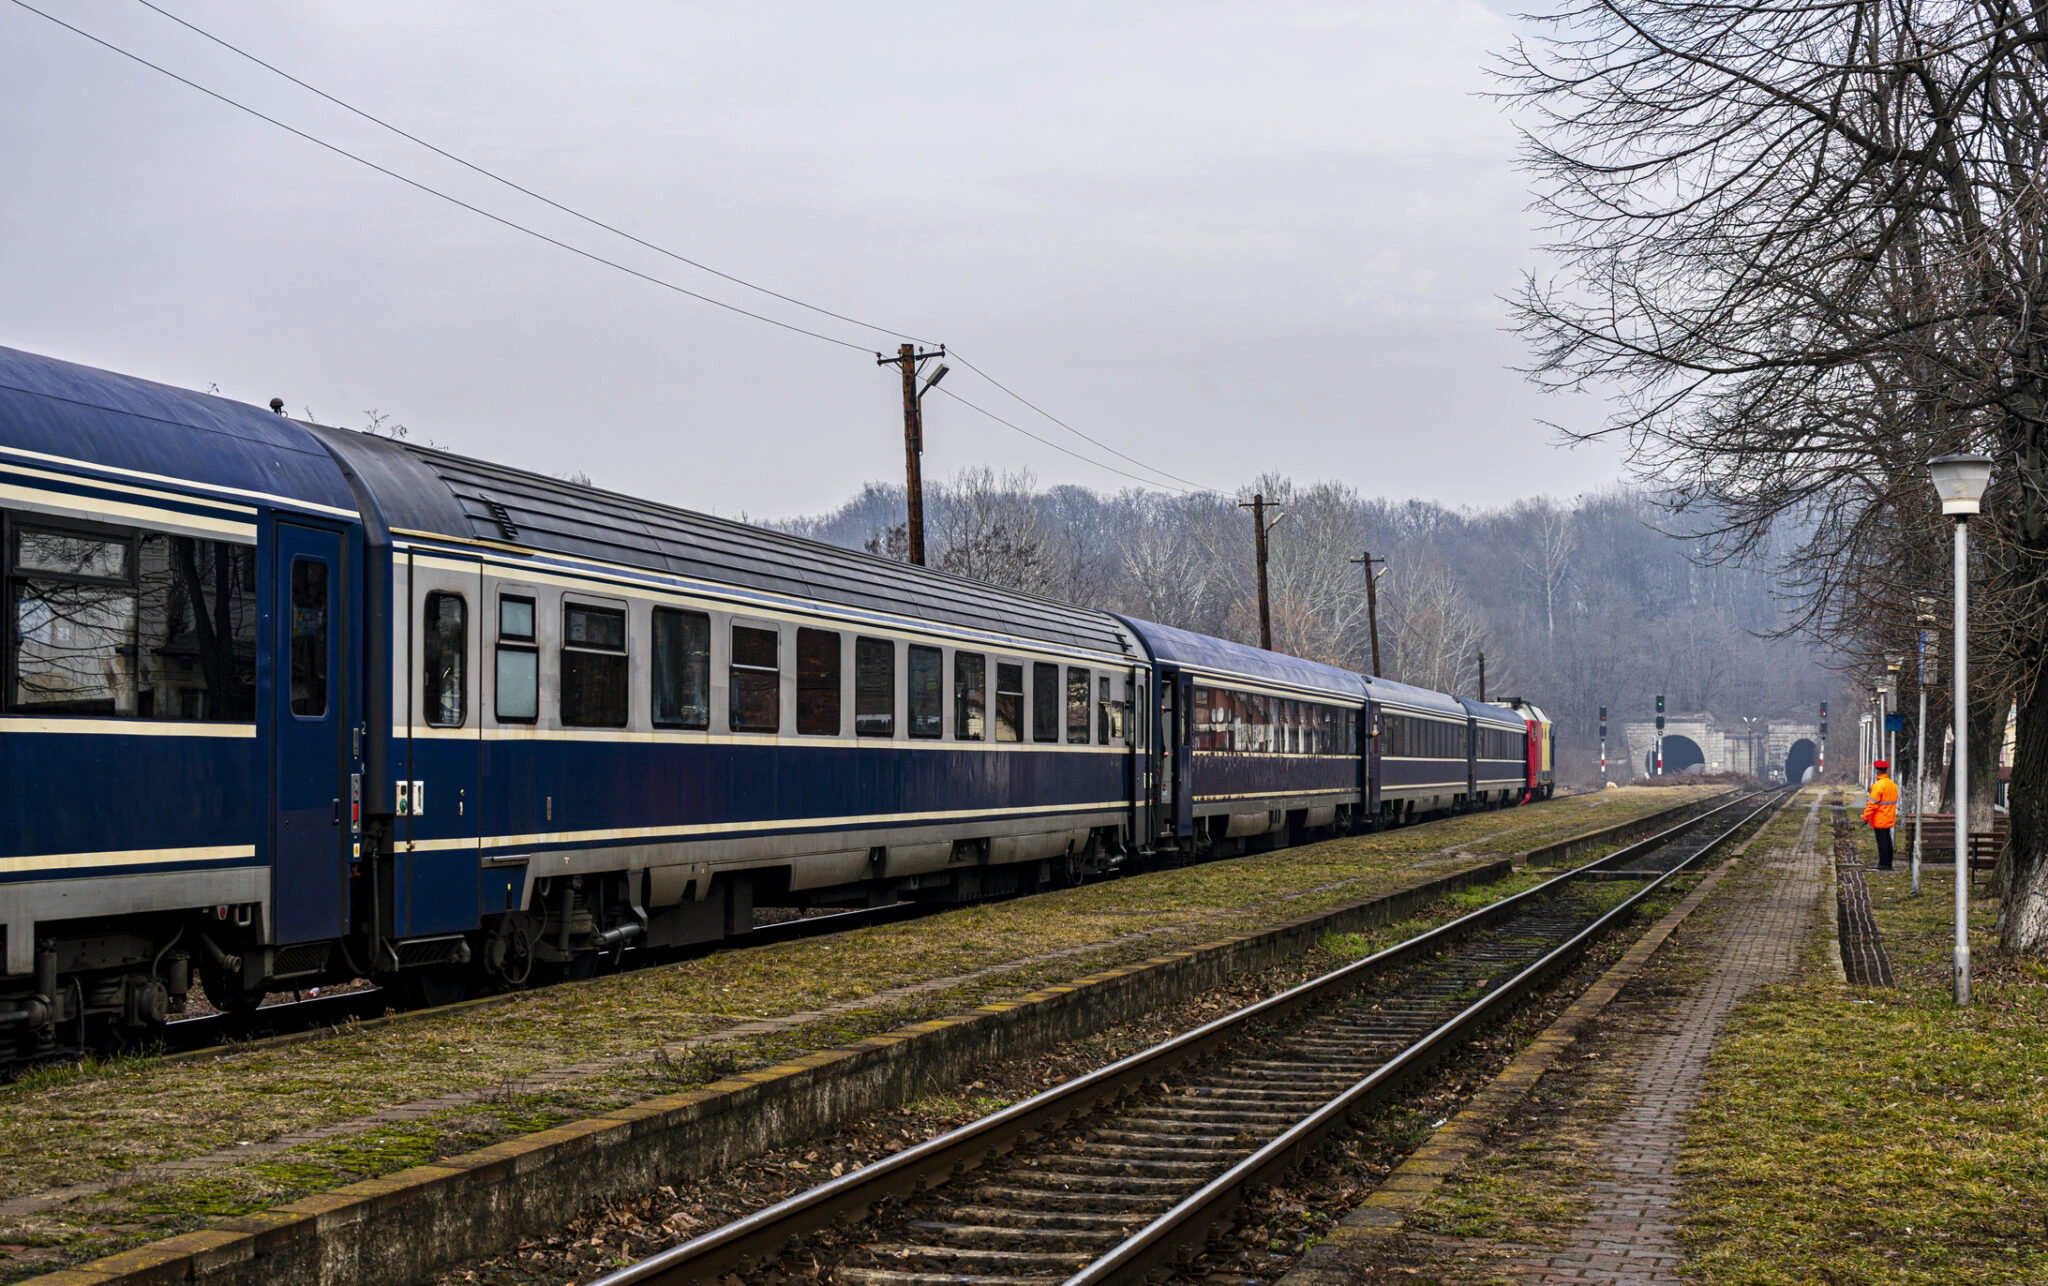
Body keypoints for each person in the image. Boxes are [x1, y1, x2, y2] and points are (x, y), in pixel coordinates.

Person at [1863, 759, 1899, 870]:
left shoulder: (1878, 786)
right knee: (1888, 841)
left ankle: (1883, 864)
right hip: (1889, 817)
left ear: (1877, 771)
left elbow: (1871, 804)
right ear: (1886, 771)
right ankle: (1888, 863)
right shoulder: (1893, 785)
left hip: (1880, 818)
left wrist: (1865, 817)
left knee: (1882, 842)